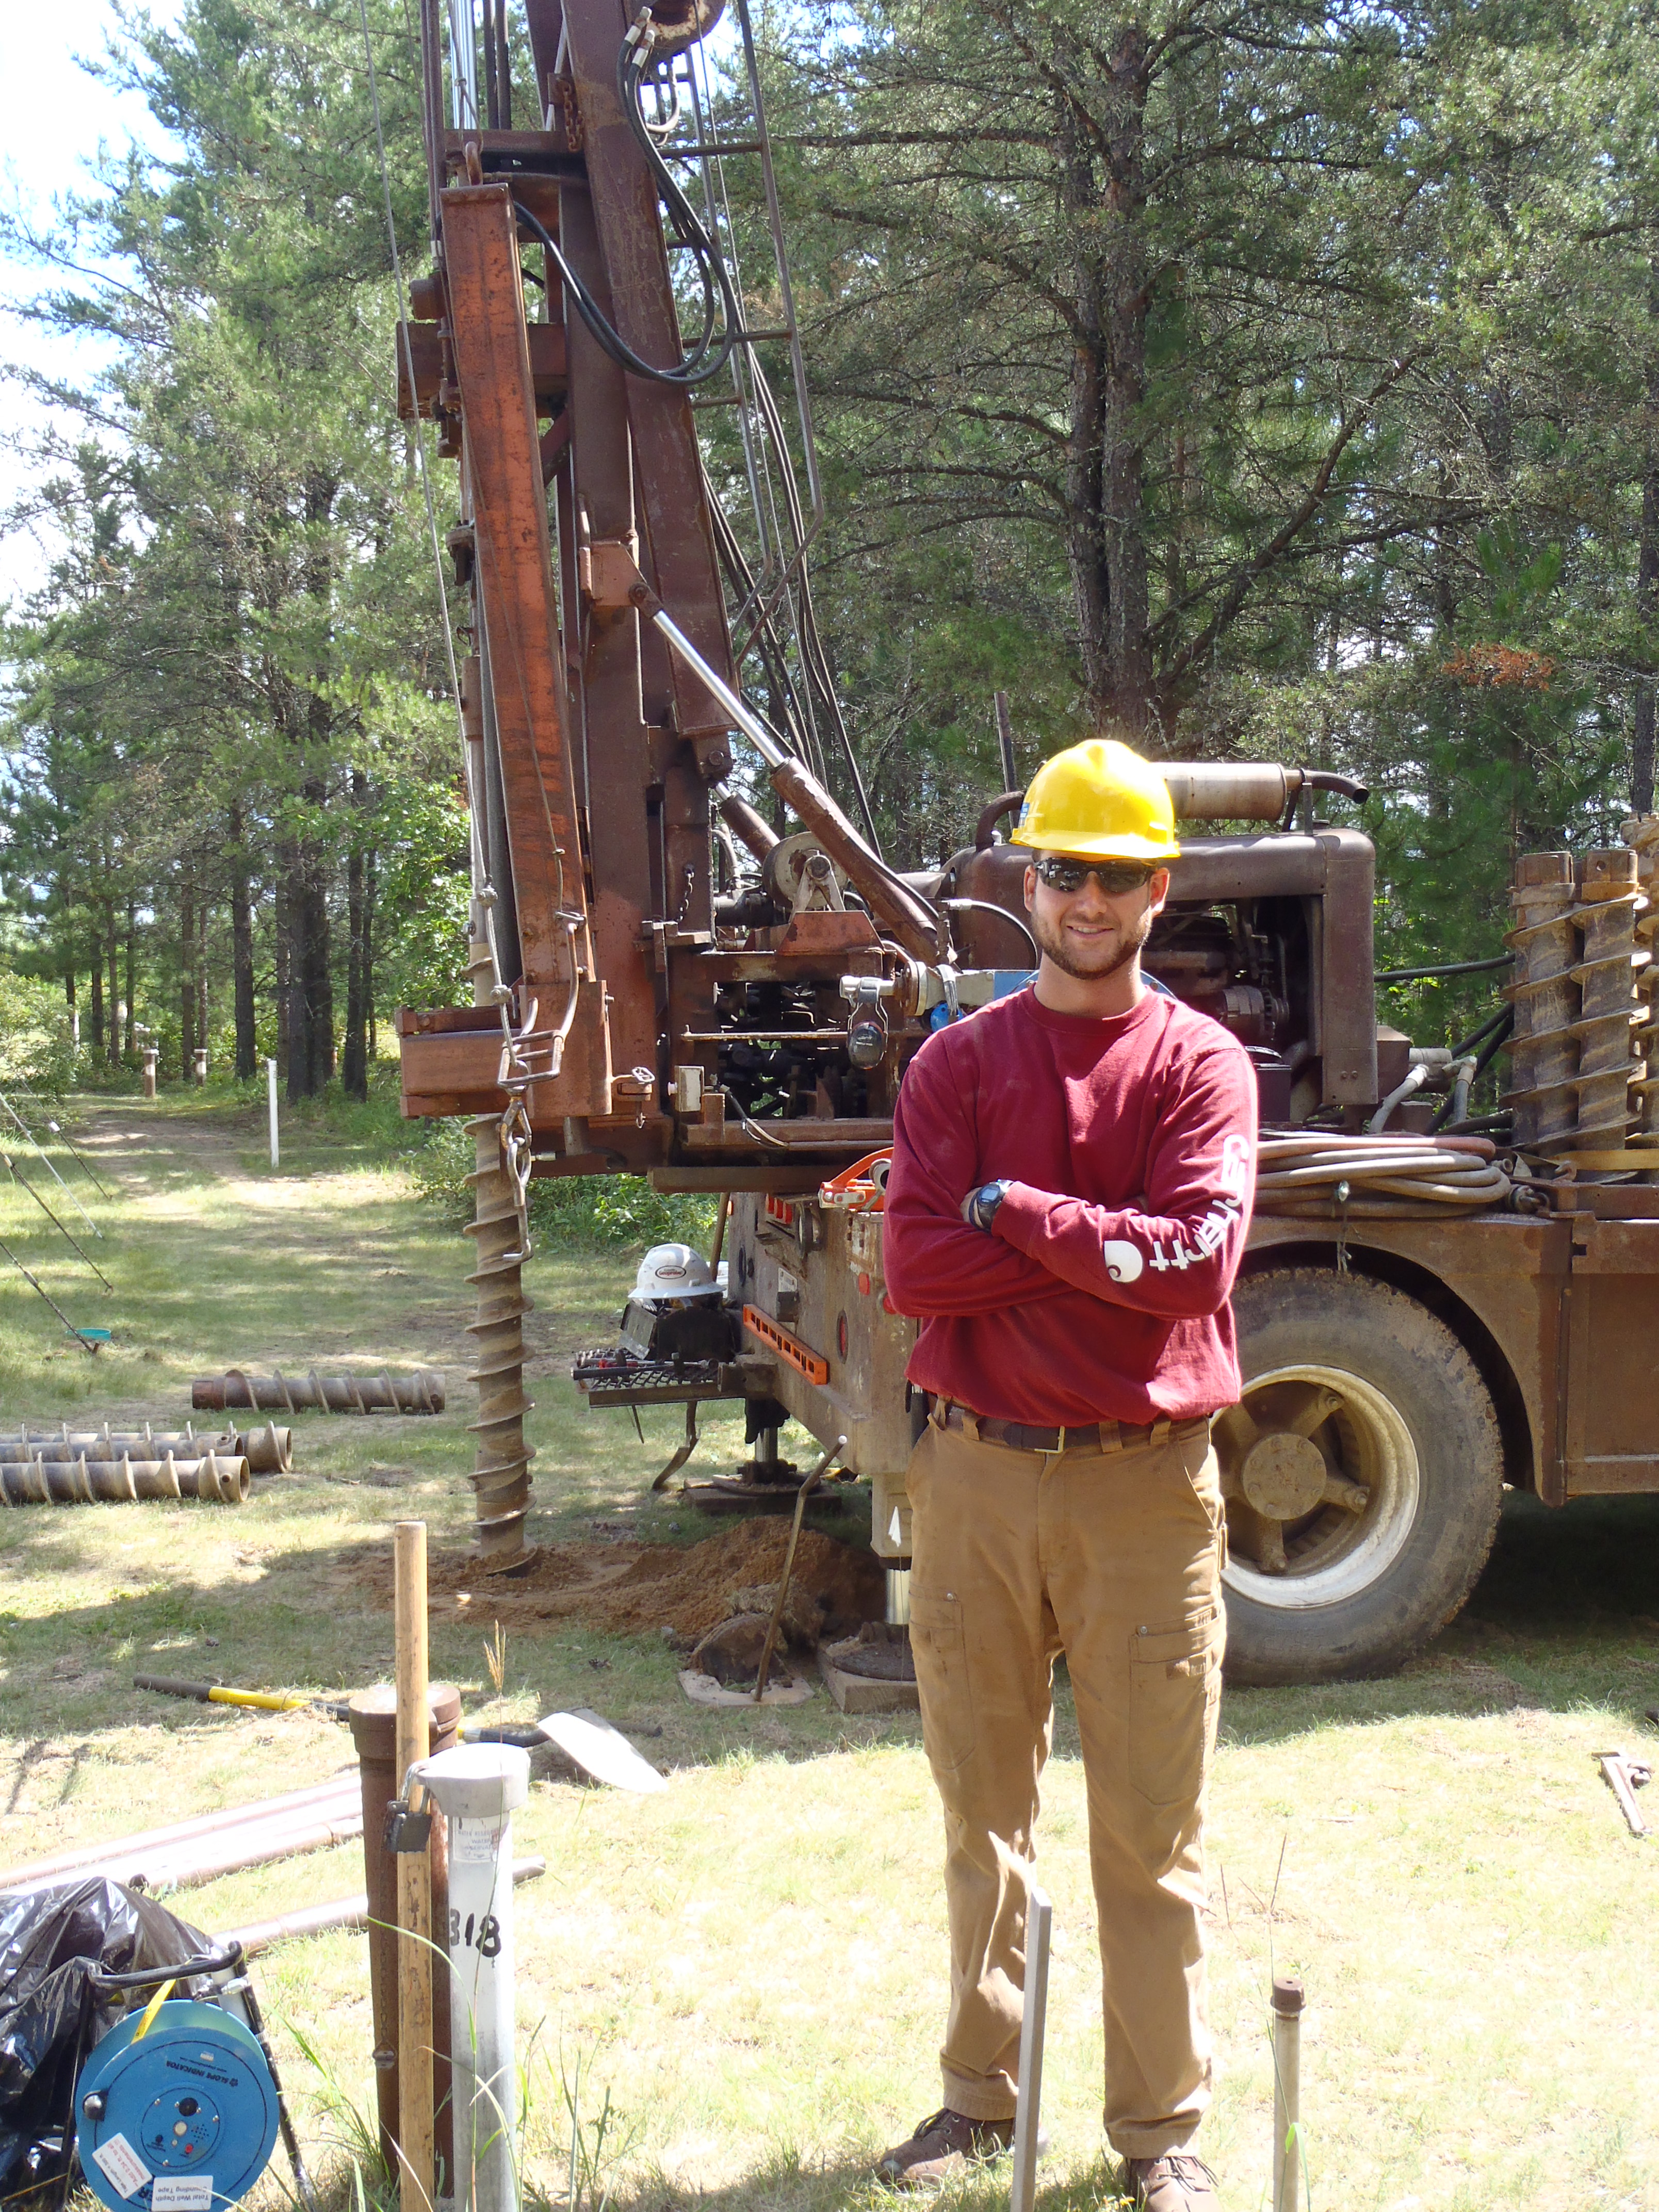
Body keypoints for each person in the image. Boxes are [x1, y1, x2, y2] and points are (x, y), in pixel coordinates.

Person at [876, 737, 1257, 2212]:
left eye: (1110, 874)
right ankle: (980, 2099)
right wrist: (1089, 1246)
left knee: (1149, 1839)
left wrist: (1010, 1211)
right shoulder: (955, 1061)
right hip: (972, 1480)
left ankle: (1160, 2138)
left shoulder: (1196, 1067)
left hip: (1142, 1493)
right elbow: (916, 1262)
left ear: (1157, 889)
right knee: (983, 1816)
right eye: (1058, 869)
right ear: (1023, 879)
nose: (1082, 897)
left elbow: (1193, 1266)